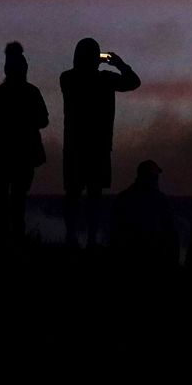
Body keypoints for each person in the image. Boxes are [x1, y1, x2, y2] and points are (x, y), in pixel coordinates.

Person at [60, 37, 140, 248]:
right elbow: (133, 82)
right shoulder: (105, 79)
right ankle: (91, 239)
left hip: (75, 146)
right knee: (94, 196)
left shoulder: (67, 78)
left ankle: (72, 237)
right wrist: (120, 65)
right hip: (98, 146)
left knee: (74, 195)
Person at [0, 41, 49, 236]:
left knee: (2, 198)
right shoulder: (31, 92)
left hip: (2, 153)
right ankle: (16, 236)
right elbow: (43, 120)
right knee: (18, 198)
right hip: (24, 153)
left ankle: (2, 235)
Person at [110, 159, 177, 269]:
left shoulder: (123, 198)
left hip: (127, 256)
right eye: (155, 177)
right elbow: (170, 231)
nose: (157, 180)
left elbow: (114, 229)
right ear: (153, 178)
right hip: (151, 256)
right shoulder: (160, 200)